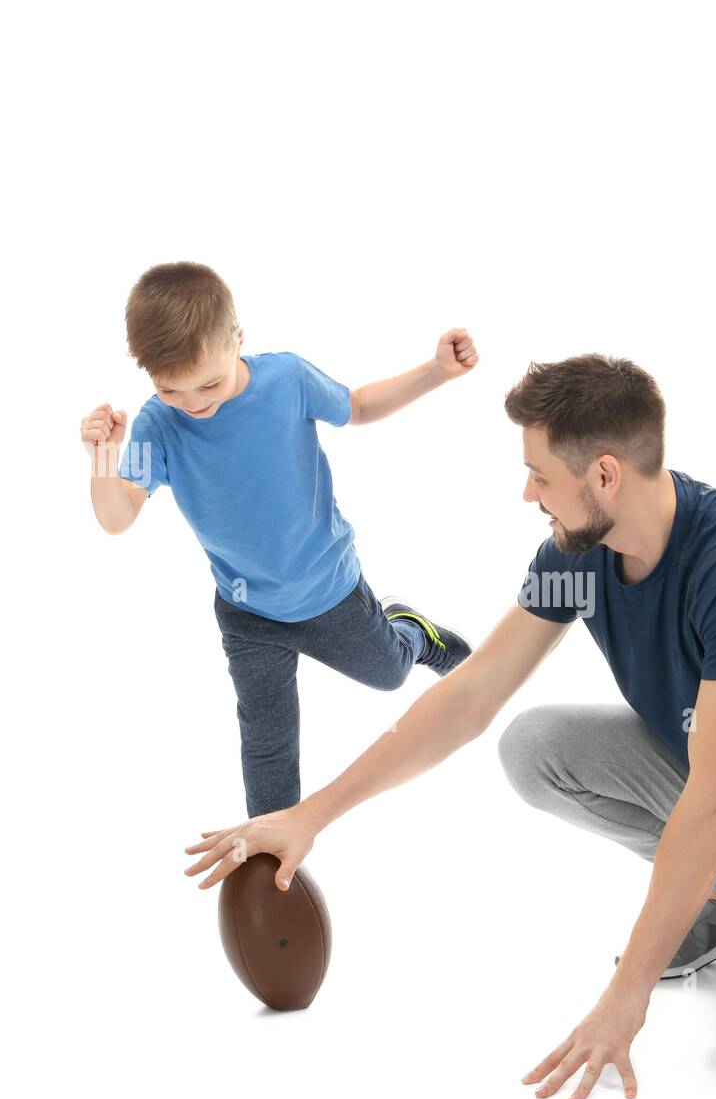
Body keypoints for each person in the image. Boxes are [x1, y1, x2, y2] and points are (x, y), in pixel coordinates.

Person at [182, 352, 716, 1099]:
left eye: (539, 475)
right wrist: (312, 814)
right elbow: (474, 695)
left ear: (604, 475)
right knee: (534, 748)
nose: (525, 493)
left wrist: (626, 989)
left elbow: (713, 795)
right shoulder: (576, 560)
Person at [82, 261, 476, 818]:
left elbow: (358, 406)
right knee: (266, 742)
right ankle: (271, 857)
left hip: (328, 592)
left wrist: (435, 371)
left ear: (237, 340)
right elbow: (118, 515)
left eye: (209, 383)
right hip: (246, 612)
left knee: (389, 675)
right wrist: (102, 457)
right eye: (170, 388)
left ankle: (408, 627)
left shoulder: (287, 381)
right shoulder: (155, 426)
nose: (193, 402)